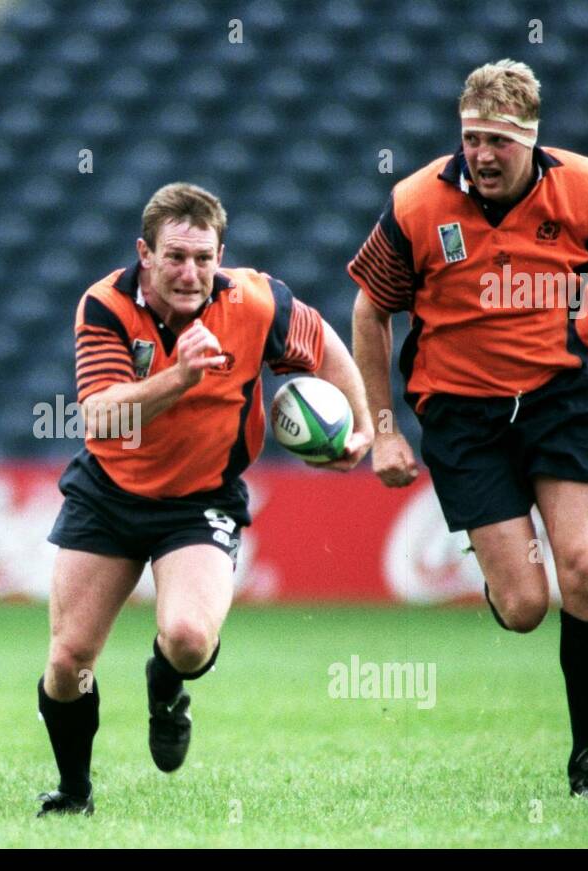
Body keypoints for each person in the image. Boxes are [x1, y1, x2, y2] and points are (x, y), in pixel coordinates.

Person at [347, 60, 588, 796]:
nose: (482, 155)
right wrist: (383, 428)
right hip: (462, 411)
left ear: (532, 142)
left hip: (561, 396)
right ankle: (504, 574)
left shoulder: (586, 189)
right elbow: (369, 311)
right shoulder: (417, 203)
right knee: (524, 608)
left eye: (499, 143)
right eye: (472, 138)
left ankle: (587, 758)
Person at [36, 182, 374, 815]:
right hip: (107, 493)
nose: (190, 273)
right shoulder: (104, 306)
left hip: (200, 499)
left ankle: (164, 691)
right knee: (68, 662)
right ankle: (75, 793)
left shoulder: (255, 302)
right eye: (175, 257)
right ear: (145, 252)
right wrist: (178, 378)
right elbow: (100, 416)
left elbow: (324, 344)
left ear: (222, 254)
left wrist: (362, 427)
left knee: (189, 638)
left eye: (203, 257)